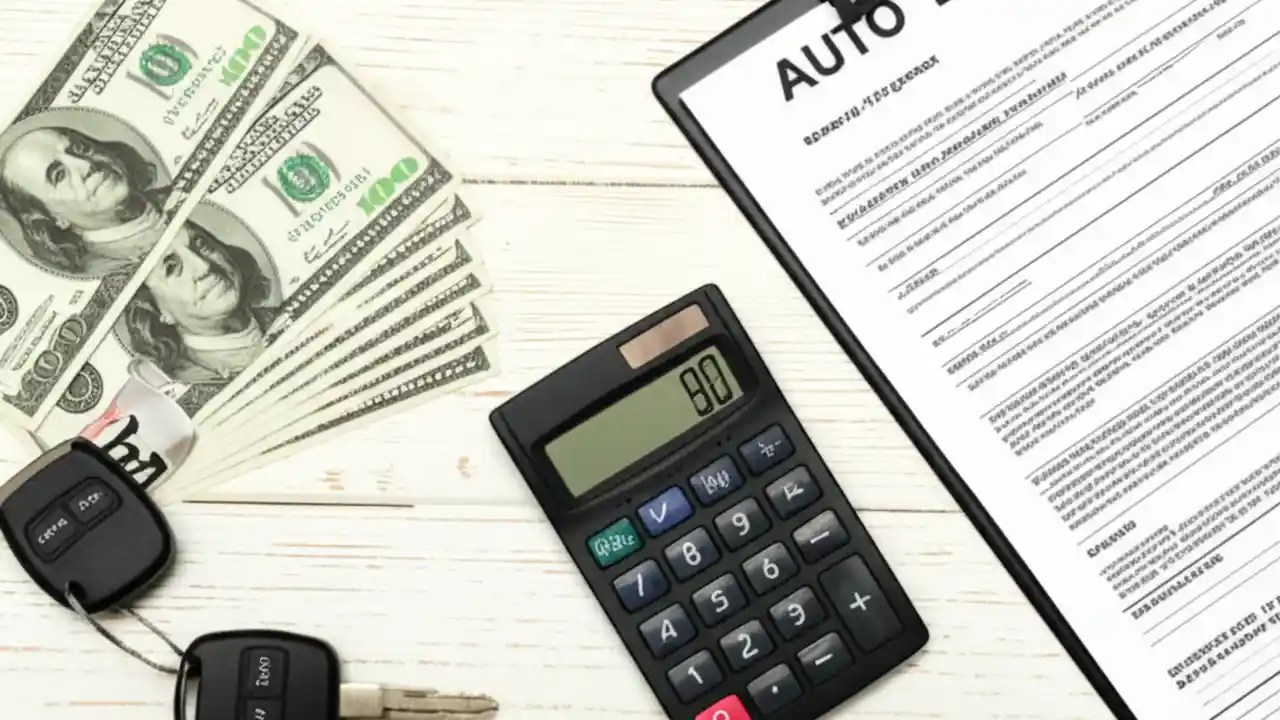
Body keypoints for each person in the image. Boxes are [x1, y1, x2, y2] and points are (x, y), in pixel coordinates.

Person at [122, 221, 278, 384]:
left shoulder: (283, 317)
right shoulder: (184, 383)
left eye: (202, 245)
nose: (204, 267)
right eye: (171, 267)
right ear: (157, 309)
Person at [0, 126, 168, 275]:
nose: (86, 165)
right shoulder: (107, 272)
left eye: (79, 148)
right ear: (51, 218)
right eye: (59, 175)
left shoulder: (169, 196)